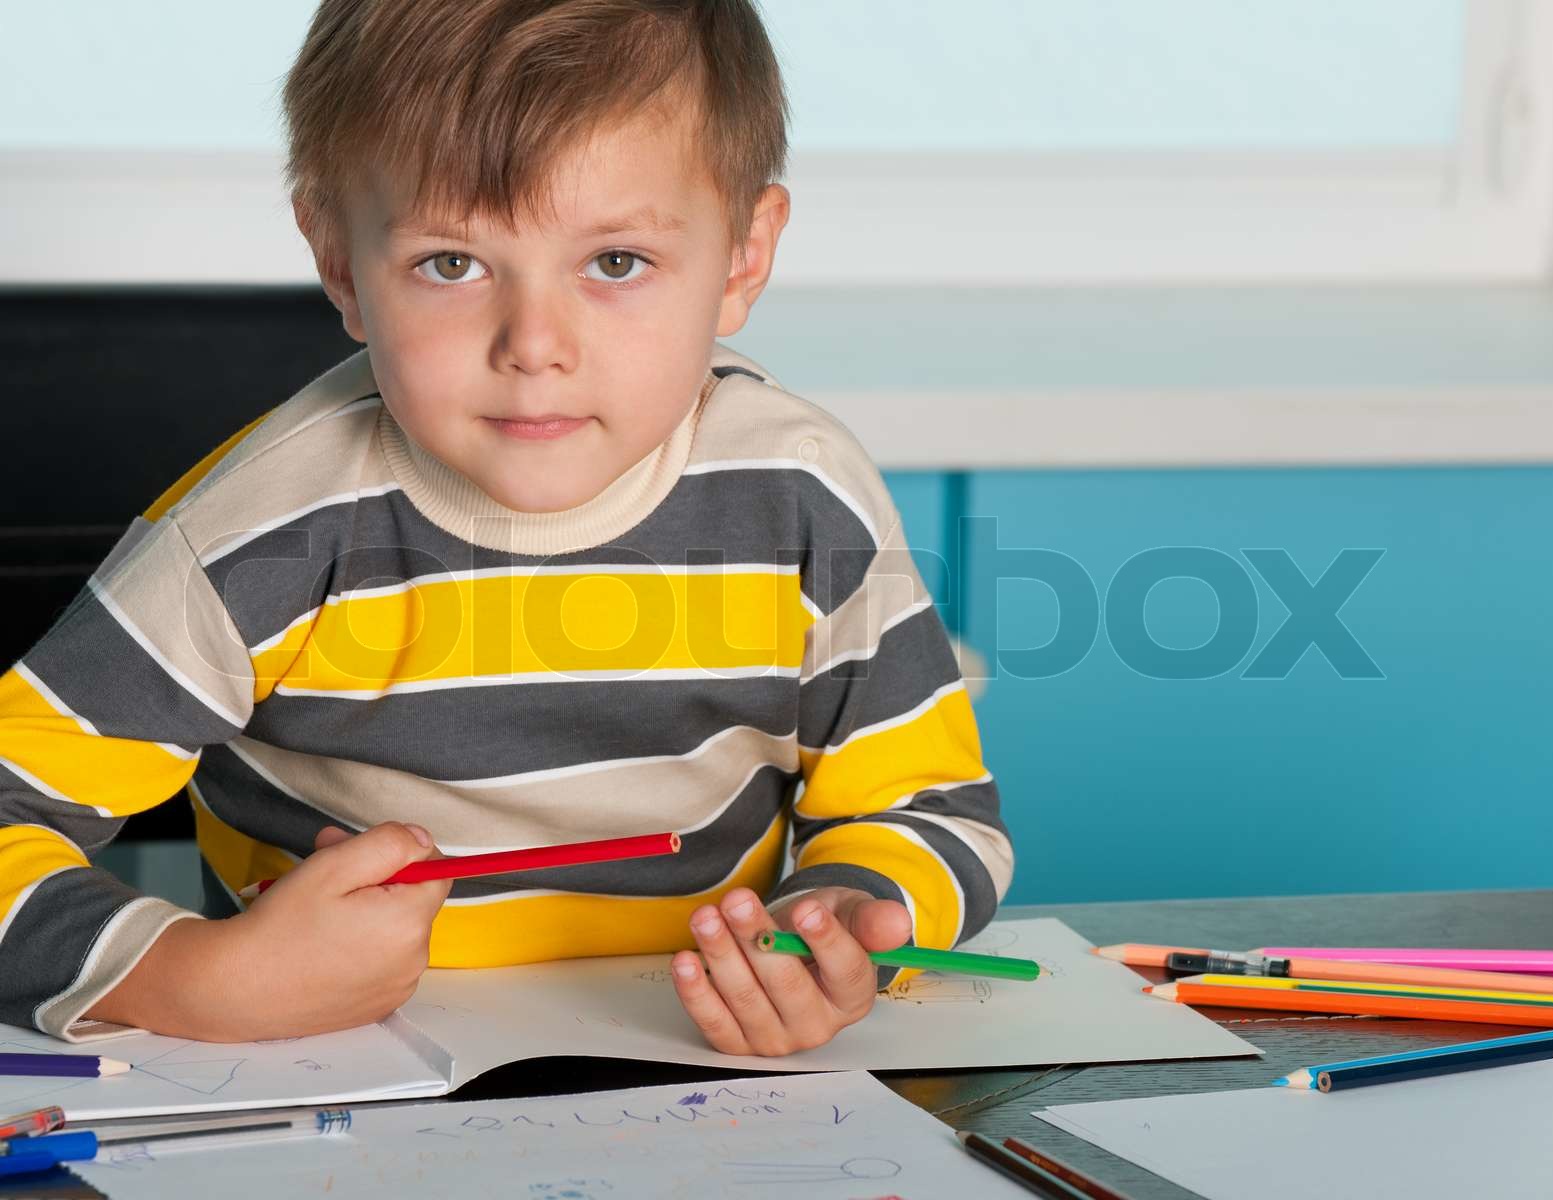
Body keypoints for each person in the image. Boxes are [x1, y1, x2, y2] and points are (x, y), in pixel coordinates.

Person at [0, 0, 1011, 1055]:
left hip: (704, 1073)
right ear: (341, 262)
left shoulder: (800, 492)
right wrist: (189, 978)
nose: (534, 345)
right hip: (352, 1077)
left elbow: (932, 813)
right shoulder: (257, 531)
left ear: (745, 255)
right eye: (452, 264)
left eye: (614, 262)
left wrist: (846, 925)